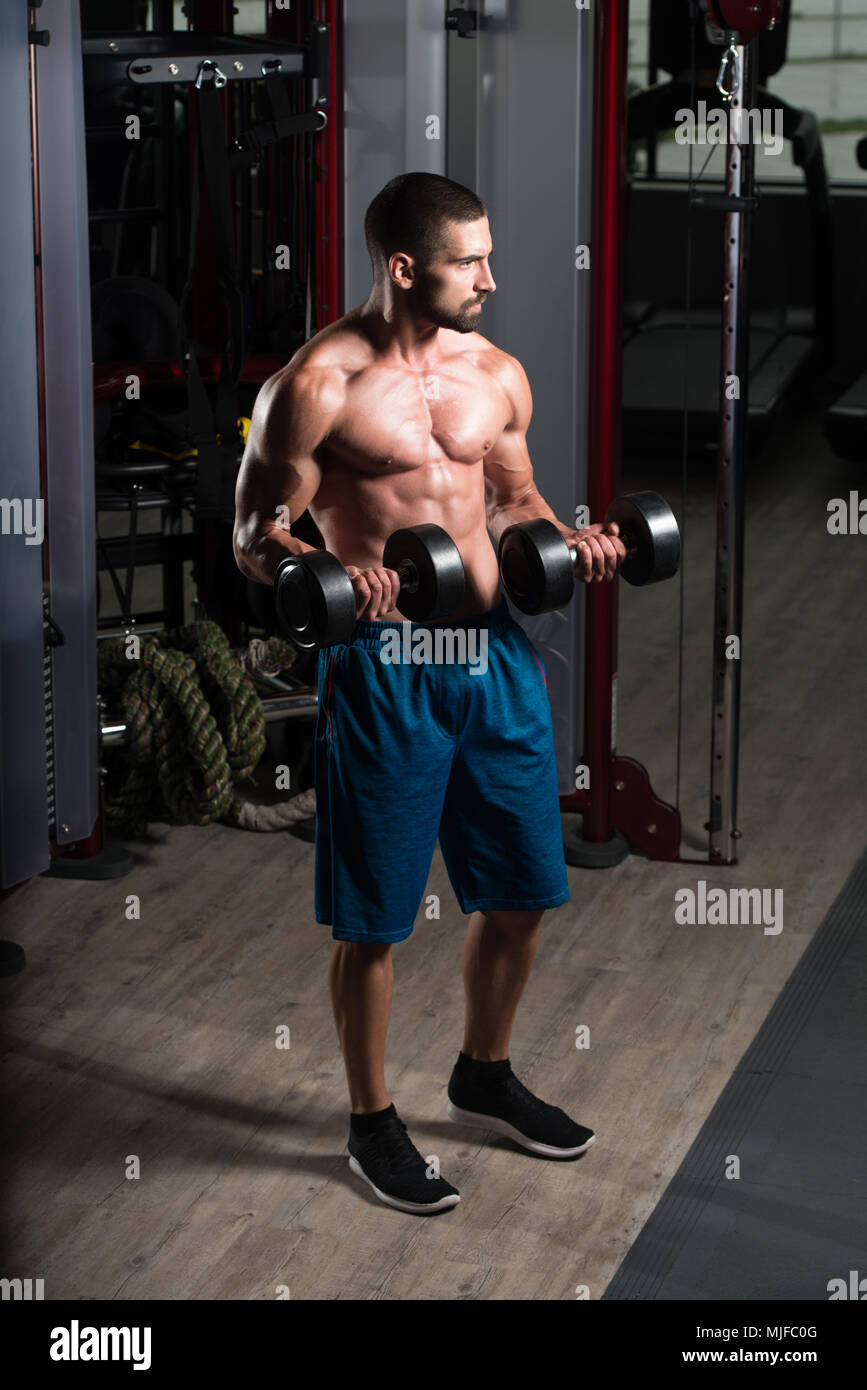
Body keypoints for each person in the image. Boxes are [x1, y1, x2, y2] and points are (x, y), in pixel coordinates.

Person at [233, 172, 626, 1215]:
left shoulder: (495, 373)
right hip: (389, 666)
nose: (491, 279)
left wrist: (568, 539)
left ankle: (483, 1072)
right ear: (406, 268)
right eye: (470, 262)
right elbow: (252, 535)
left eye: (489, 257)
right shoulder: (318, 384)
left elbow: (517, 497)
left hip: (495, 658)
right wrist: (317, 572)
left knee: (525, 890)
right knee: (377, 919)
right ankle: (371, 1124)